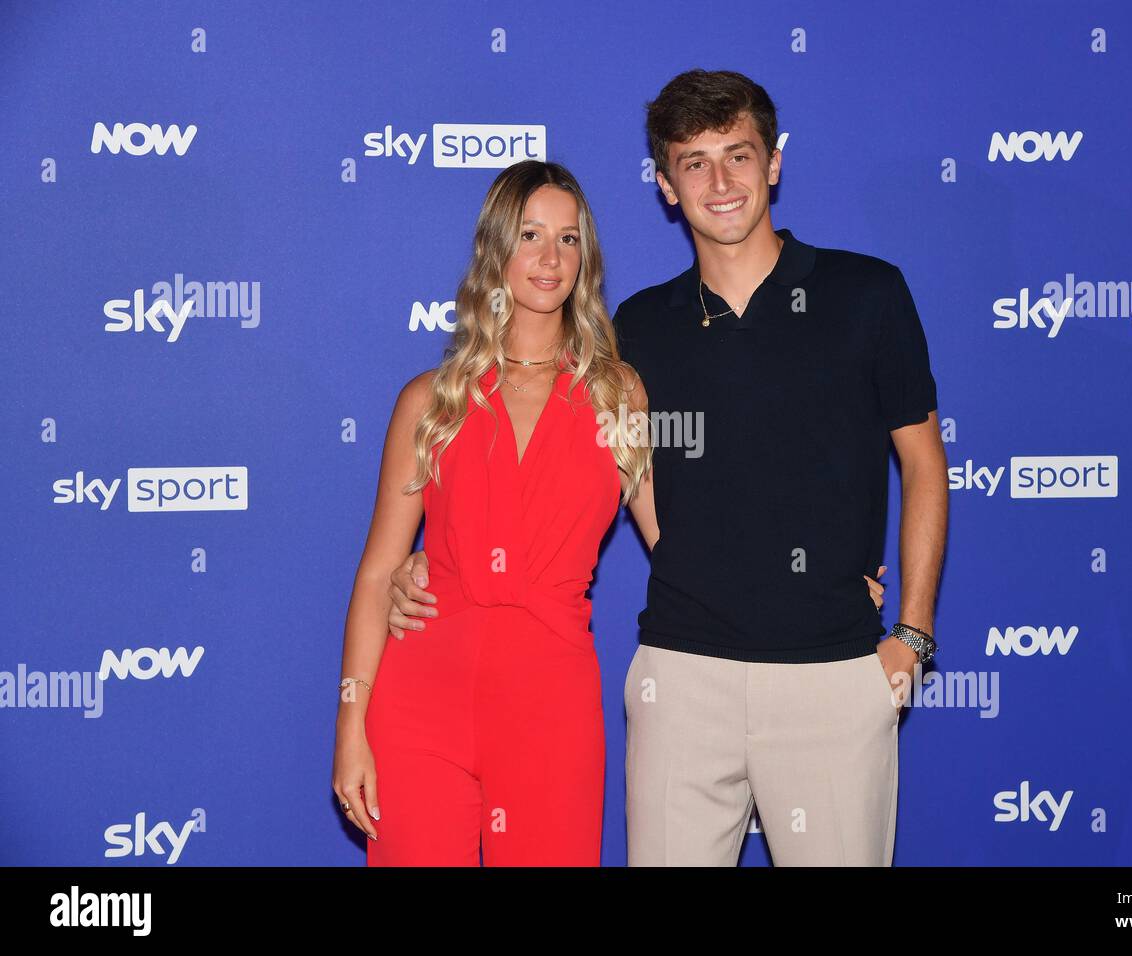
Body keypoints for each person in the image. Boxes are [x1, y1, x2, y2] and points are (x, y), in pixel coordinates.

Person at [386, 68, 943, 866]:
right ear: (665, 185)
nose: (721, 182)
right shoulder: (637, 332)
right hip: (680, 678)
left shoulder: (867, 294)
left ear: (774, 163)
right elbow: (582, 484)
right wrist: (430, 563)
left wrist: (912, 637)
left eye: (738, 155)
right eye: (694, 163)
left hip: (831, 671)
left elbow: (923, 465)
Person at [330, 160, 656, 865]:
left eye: (568, 239)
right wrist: (351, 725)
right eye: (530, 235)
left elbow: (677, 543)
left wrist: (818, 576)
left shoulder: (617, 395)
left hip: (551, 704)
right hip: (420, 702)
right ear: (496, 248)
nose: (550, 258)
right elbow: (379, 572)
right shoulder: (431, 400)